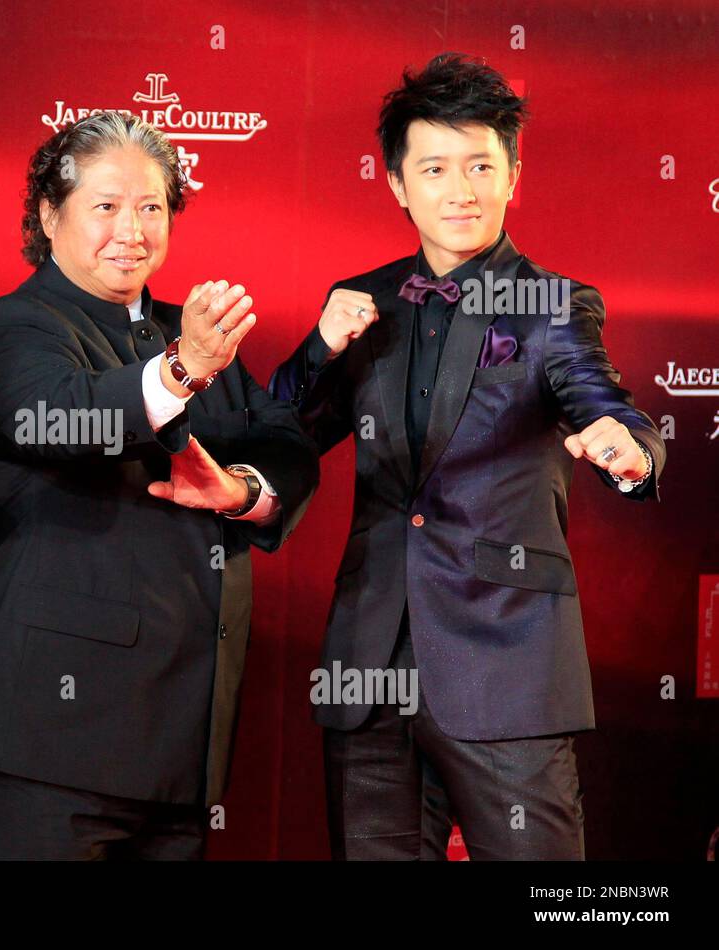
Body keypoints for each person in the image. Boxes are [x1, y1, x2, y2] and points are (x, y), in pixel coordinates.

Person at [270, 53, 665, 860]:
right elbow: (282, 436)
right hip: (370, 670)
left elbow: (601, 399)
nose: (462, 189)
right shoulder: (362, 302)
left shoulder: (553, 306)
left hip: (506, 660)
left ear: (514, 177)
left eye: (482, 165)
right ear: (396, 183)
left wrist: (628, 449)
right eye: (437, 167)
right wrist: (318, 347)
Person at [0, 111, 318, 860]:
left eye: (151, 207)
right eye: (105, 207)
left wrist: (241, 491)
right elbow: (59, 422)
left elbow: (287, 445)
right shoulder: (12, 326)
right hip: (39, 752)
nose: (131, 230)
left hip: (177, 759)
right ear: (49, 215)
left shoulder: (196, 333)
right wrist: (181, 371)